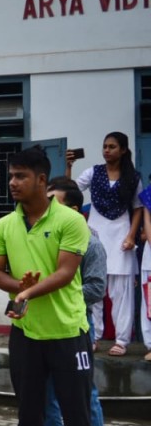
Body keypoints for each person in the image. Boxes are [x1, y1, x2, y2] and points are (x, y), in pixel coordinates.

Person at [0, 146, 95, 426]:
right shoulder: (5, 224)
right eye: (11, 176)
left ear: (41, 180)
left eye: (20, 176)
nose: (13, 183)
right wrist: (19, 285)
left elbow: (66, 272)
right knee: (29, 410)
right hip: (27, 333)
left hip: (68, 332)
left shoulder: (71, 220)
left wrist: (27, 291)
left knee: (75, 411)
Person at [43, 181, 108, 426]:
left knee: (84, 396)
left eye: (53, 203)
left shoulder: (91, 243)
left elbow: (96, 288)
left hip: (77, 326)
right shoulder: (46, 240)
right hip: (45, 327)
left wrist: (57, 291)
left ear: (73, 211)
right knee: (47, 394)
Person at [68, 132, 142, 356]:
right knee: (94, 287)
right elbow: (70, 191)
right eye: (105, 146)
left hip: (121, 235)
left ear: (122, 150)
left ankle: (121, 340)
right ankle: (94, 335)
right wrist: (69, 166)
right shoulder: (93, 172)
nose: (107, 150)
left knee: (122, 292)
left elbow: (138, 208)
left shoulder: (132, 177)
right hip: (95, 233)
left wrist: (131, 236)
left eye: (112, 147)